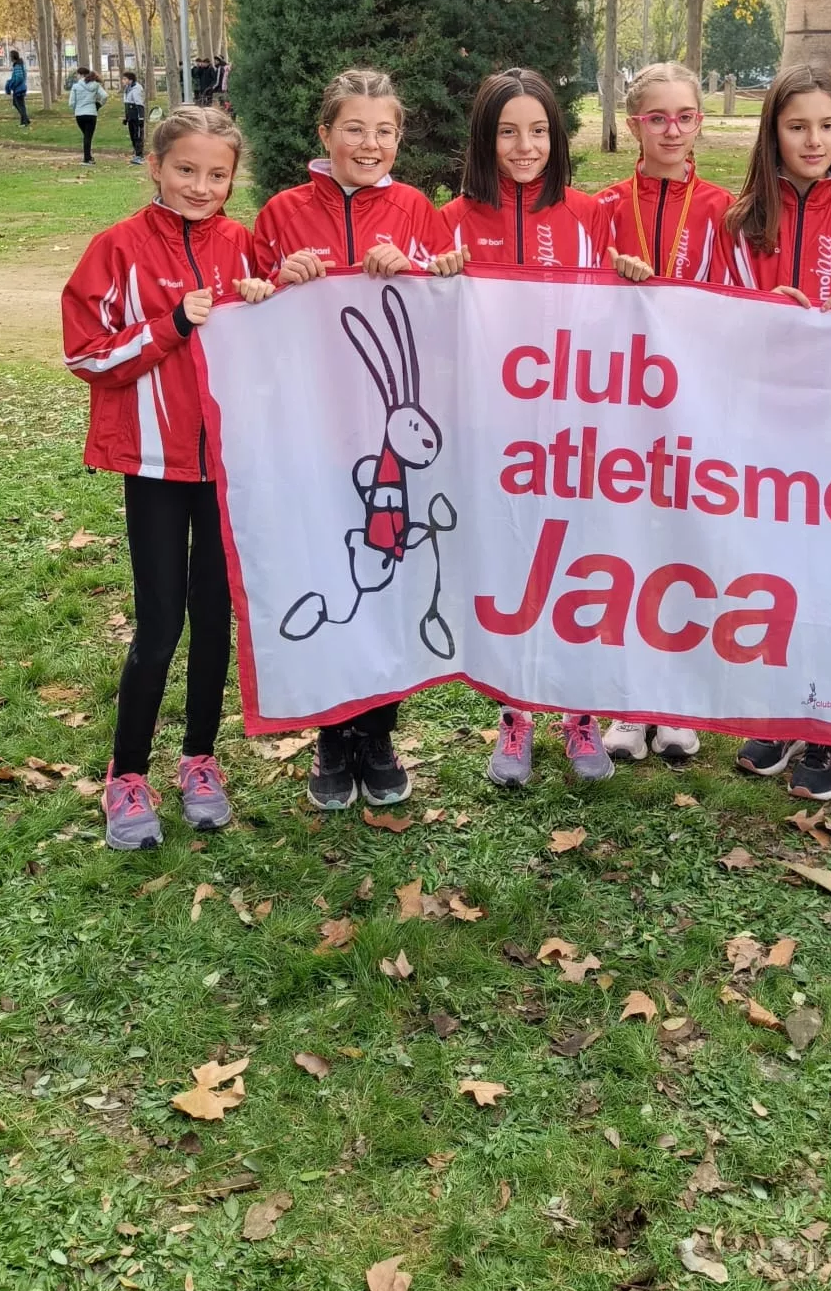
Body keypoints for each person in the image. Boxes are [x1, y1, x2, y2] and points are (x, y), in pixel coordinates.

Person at [61, 105, 275, 850]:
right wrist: (172, 324)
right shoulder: (116, 249)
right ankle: (127, 776)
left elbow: (280, 336)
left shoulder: (243, 245)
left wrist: (275, 294)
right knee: (160, 625)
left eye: (217, 175)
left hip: (224, 466)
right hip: (152, 464)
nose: (201, 186)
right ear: (155, 166)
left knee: (215, 618)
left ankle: (199, 761)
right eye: (186, 170)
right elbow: (85, 353)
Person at [253, 67, 449, 815]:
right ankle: (334, 735)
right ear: (325, 134)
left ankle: (380, 733)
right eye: (355, 128)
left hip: (388, 445)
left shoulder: (415, 208)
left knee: (388, 578)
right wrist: (281, 276)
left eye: (385, 130)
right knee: (327, 569)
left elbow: (445, 310)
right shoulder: (281, 211)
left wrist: (417, 270)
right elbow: (251, 312)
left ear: (399, 137)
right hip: (309, 431)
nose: (370, 143)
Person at [711, 63, 831, 802]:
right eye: (797, 125)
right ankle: (784, 711)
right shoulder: (739, 221)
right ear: (772, 132)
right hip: (765, 434)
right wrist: (761, 318)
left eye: (827, 125)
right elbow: (708, 324)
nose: (813, 140)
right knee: (773, 575)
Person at [436, 66, 616, 790]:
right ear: (485, 137)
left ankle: (579, 711)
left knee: (576, 570)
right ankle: (514, 714)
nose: (524, 145)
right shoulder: (450, 221)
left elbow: (625, 324)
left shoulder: (592, 215)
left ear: (557, 136)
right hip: (492, 438)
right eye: (508, 131)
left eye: (538, 130)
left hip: (575, 436)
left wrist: (634, 286)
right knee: (510, 569)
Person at [594, 59, 735, 766]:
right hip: (623, 405)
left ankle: (677, 700)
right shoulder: (605, 206)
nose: (672, 129)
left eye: (684, 116)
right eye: (657, 117)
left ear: (699, 122)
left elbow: (745, 301)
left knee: (684, 548)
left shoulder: (723, 209)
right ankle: (627, 701)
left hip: (695, 406)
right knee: (626, 547)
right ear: (634, 122)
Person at [68, 66, 107, 164]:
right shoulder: (96, 85)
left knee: (86, 136)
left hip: (79, 115)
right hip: (91, 113)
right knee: (88, 136)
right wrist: (99, 104)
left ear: (81, 75)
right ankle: (87, 158)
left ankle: (87, 157)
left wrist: (76, 109)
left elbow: (71, 103)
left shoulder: (76, 86)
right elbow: (105, 96)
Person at [122, 70, 146, 163]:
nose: (123, 81)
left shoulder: (137, 88)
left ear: (130, 80)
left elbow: (139, 104)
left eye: (125, 79)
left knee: (138, 135)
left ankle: (139, 156)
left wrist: (141, 118)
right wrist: (126, 117)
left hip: (136, 115)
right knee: (132, 136)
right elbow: (127, 104)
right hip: (131, 116)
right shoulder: (127, 88)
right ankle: (136, 153)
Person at [5, 50, 30, 128]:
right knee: (18, 104)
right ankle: (25, 121)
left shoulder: (17, 65)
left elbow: (19, 77)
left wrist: (12, 84)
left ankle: (25, 121)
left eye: (10, 56)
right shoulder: (19, 64)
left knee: (19, 105)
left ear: (13, 57)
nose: (9, 58)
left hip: (18, 89)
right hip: (20, 88)